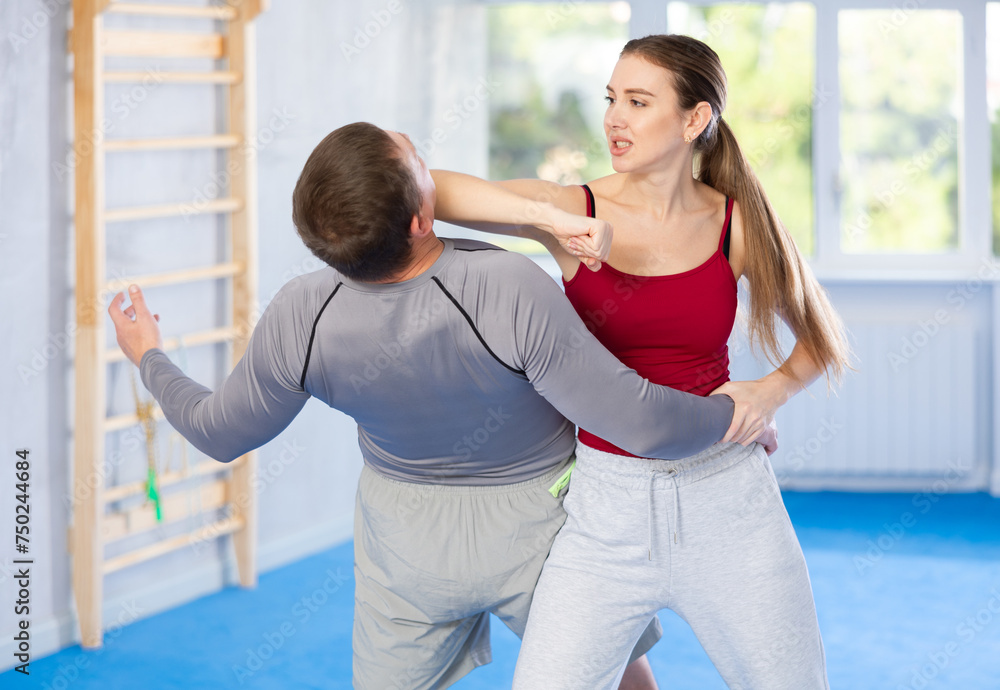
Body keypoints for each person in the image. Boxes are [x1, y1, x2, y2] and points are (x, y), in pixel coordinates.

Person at [107, 122, 769, 689]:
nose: (434, 170)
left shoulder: (302, 314)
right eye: (422, 163)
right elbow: (644, 422)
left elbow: (216, 431)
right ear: (422, 218)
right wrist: (733, 416)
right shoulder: (505, 285)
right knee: (619, 679)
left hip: (404, 543)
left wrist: (148, 357)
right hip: (541, 527)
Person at [430, 34, 850, 689]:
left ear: (694, 119)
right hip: (606, 511)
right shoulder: (577, 211)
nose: (614, 118)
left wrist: (769, 392)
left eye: (637, 100)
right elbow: (429, 191)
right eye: (610, 99)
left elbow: (821, 338)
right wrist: (547, 218)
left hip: (729, 503)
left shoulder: (736, 221)